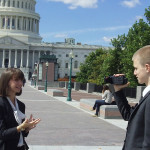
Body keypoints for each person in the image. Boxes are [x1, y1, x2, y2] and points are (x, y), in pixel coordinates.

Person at [113, 45, 150, 150]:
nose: (134, 73)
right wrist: (118, 90)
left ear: (147, 67)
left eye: (136, 68)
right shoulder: (146, 96)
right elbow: (128, 115)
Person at [0, 68, 41, 150]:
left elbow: (20, 133)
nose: (20, 83)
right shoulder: (1, 104)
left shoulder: (21, 105)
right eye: (16, 80)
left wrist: (26, 128)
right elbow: (2, 134)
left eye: (22, 80)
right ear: (6, 81)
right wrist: (21, 126)